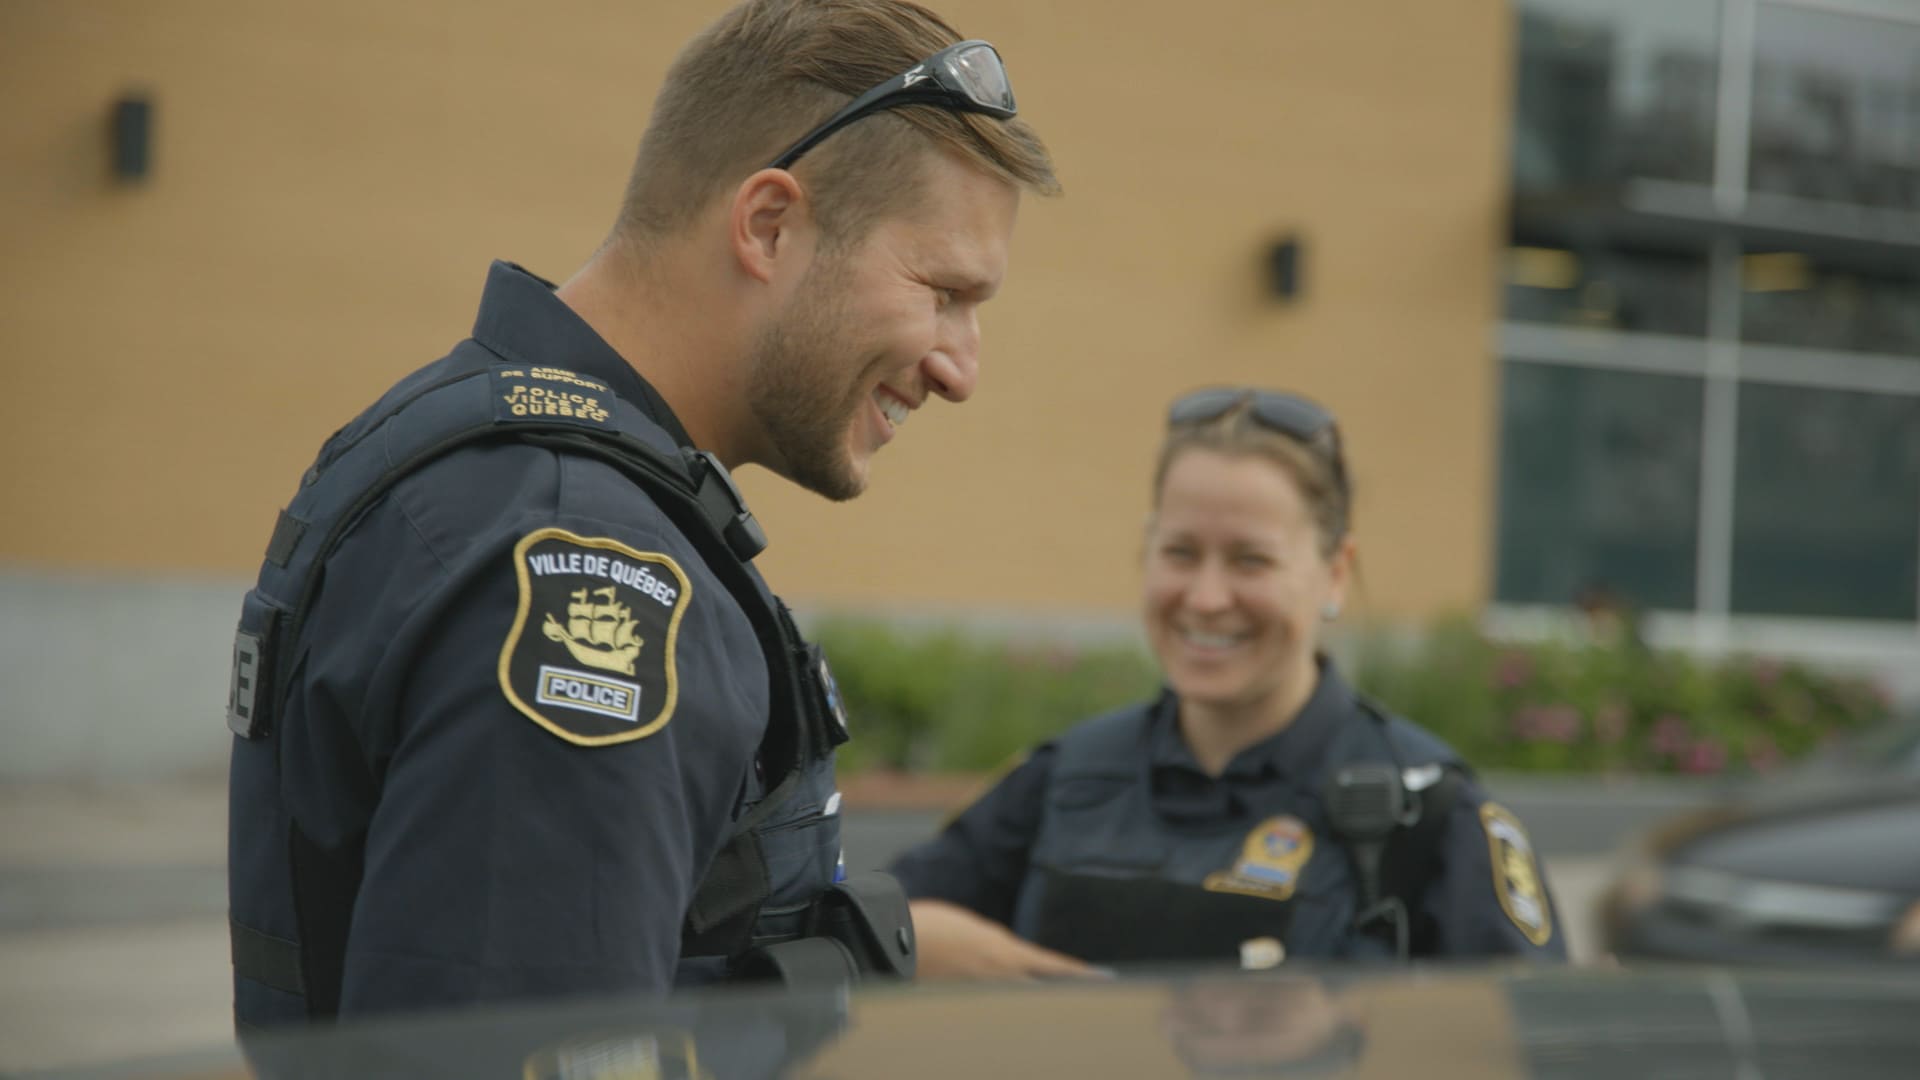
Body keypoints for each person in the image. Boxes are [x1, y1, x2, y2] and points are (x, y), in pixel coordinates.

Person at [224, 0, 1057, 1028]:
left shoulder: (482, 458)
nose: (961, 368)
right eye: (943, 290)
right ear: (770, 225)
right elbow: (526, 1050)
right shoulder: (580, 554)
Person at [890, 388, 1567, 978]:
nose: (1207, 598)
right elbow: (864, 930)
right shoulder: (1062, 782)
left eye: (1251, 560)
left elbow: (1533, 1046)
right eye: (1181, 552)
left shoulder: (1429, 816)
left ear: (1335, 571)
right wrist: (933, 948)